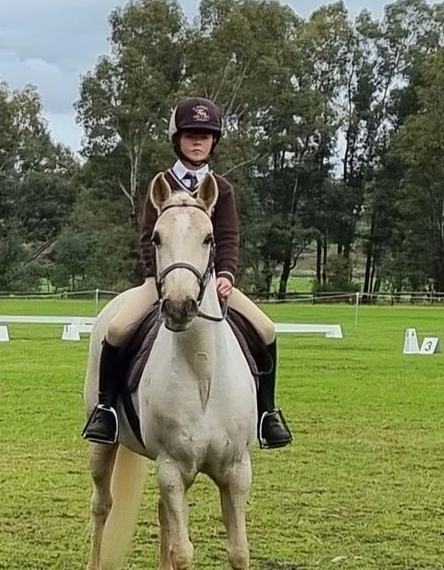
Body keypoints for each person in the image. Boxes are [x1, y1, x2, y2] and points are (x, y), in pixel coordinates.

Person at [82, 97, 294, 449]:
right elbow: (149, 236)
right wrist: (158, 278)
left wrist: (226, 274)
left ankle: (267, 413)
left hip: (211, 284)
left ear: (214, 142)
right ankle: (106, 409)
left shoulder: (221, 190)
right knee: (117, 329)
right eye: (191, 135)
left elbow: (227, 236)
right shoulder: (161, 184)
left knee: (266, 329)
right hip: (162, 282)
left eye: (206, 136)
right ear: (177, 139)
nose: (198, 141)